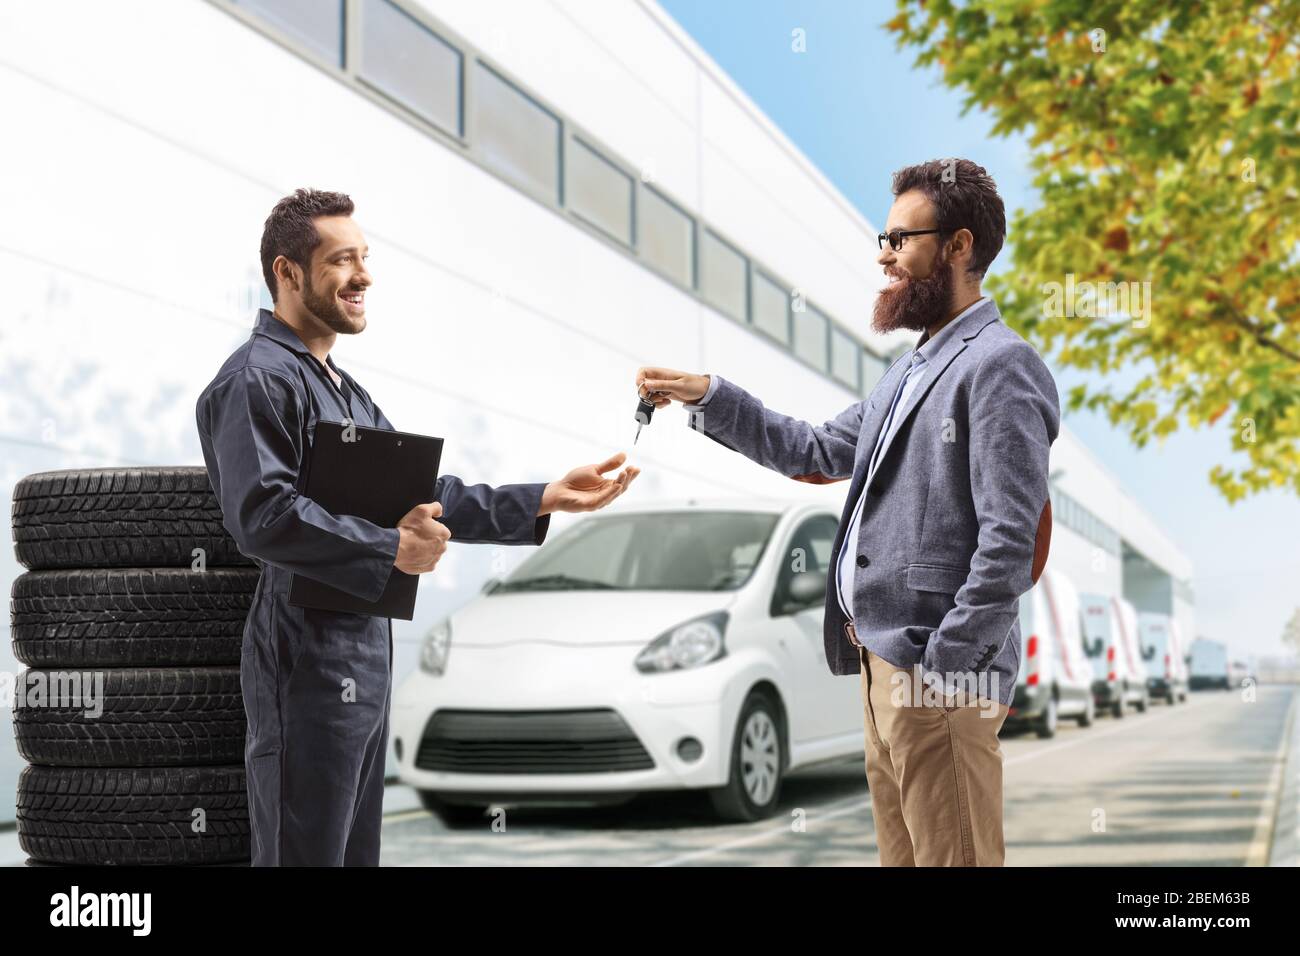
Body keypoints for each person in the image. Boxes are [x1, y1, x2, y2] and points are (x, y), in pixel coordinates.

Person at [196, 187, 639, 865]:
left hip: (363, 653)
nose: (364, 275)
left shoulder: (346, 390)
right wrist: (390, 549)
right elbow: (264, 516)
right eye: (342, 260)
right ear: (287, 273)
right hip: (302, 658)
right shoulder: (258, 380)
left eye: (365, 258)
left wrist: (543, 498)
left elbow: (422, 495)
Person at [634, 159, 1058, 866]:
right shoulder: (908, 370)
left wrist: (944, 666)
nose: (883, 255)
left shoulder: (999, 364)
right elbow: (815, 448)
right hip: (881, 666)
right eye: (882, 237)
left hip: (933, 673)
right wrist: (709, 395)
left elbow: (1010, 541)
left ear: (958, 246)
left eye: (900, 238)